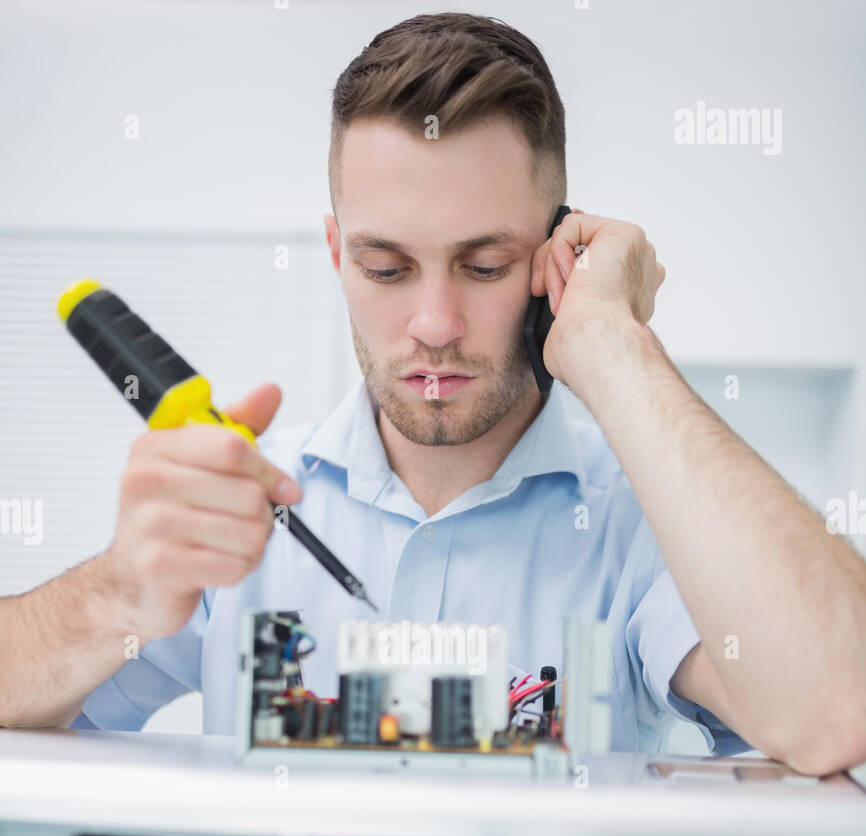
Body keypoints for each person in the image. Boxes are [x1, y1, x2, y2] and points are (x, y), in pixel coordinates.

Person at [2, 13, 865, 772]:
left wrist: (616, 343)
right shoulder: (238, 510)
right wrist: (113, 593)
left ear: (558, 258)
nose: (435, 323)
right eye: (387, 267)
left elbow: (838, 708)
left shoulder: (642, 527)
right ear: (338, 254)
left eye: (484, 266)